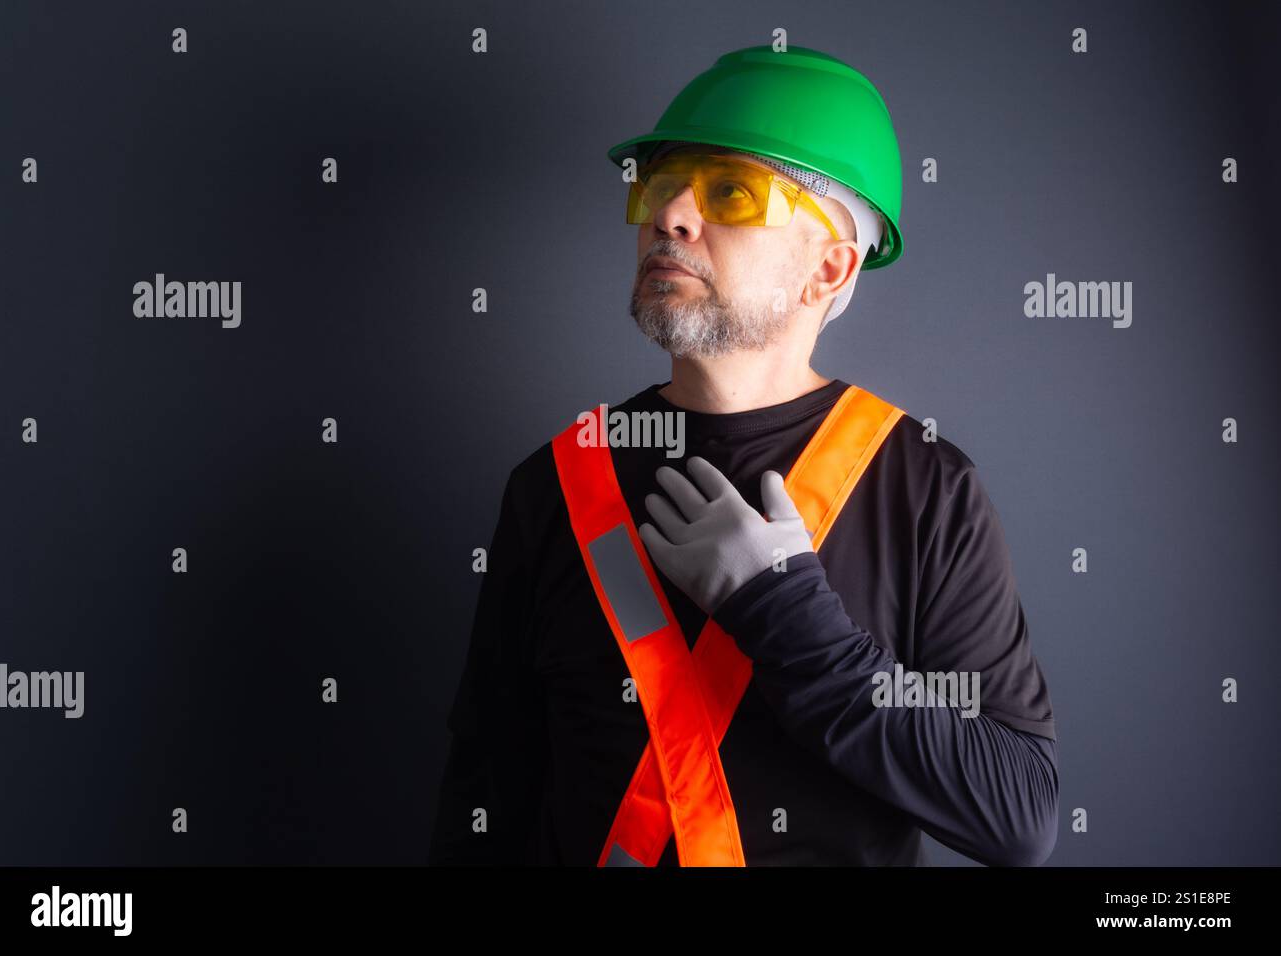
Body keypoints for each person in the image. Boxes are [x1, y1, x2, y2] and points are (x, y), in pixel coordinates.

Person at [428, 45, 1058, 866]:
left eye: (730, 191)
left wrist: (789, 618)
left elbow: (1019, 817)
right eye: (661, 184)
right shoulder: (554, 483)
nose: (671, 216)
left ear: (828, 267)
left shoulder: (925, 488)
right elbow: (484, 800)